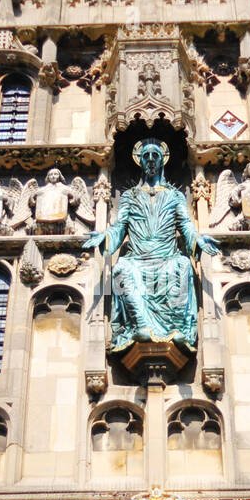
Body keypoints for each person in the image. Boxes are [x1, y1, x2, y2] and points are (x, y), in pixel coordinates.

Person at [83, 140, 219, 352]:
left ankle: (177, 330)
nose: (151, 160)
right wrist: (105, 237)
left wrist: (198, 239)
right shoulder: (130, 196)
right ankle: (142, 326)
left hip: (167, 257)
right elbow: (120, 226)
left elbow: (185, 225)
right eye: (146, 156)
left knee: (183, 265)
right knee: (121, 269)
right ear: (141, 162)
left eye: (155, 155)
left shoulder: (175, 196)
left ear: (162, 161)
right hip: (138, 258)